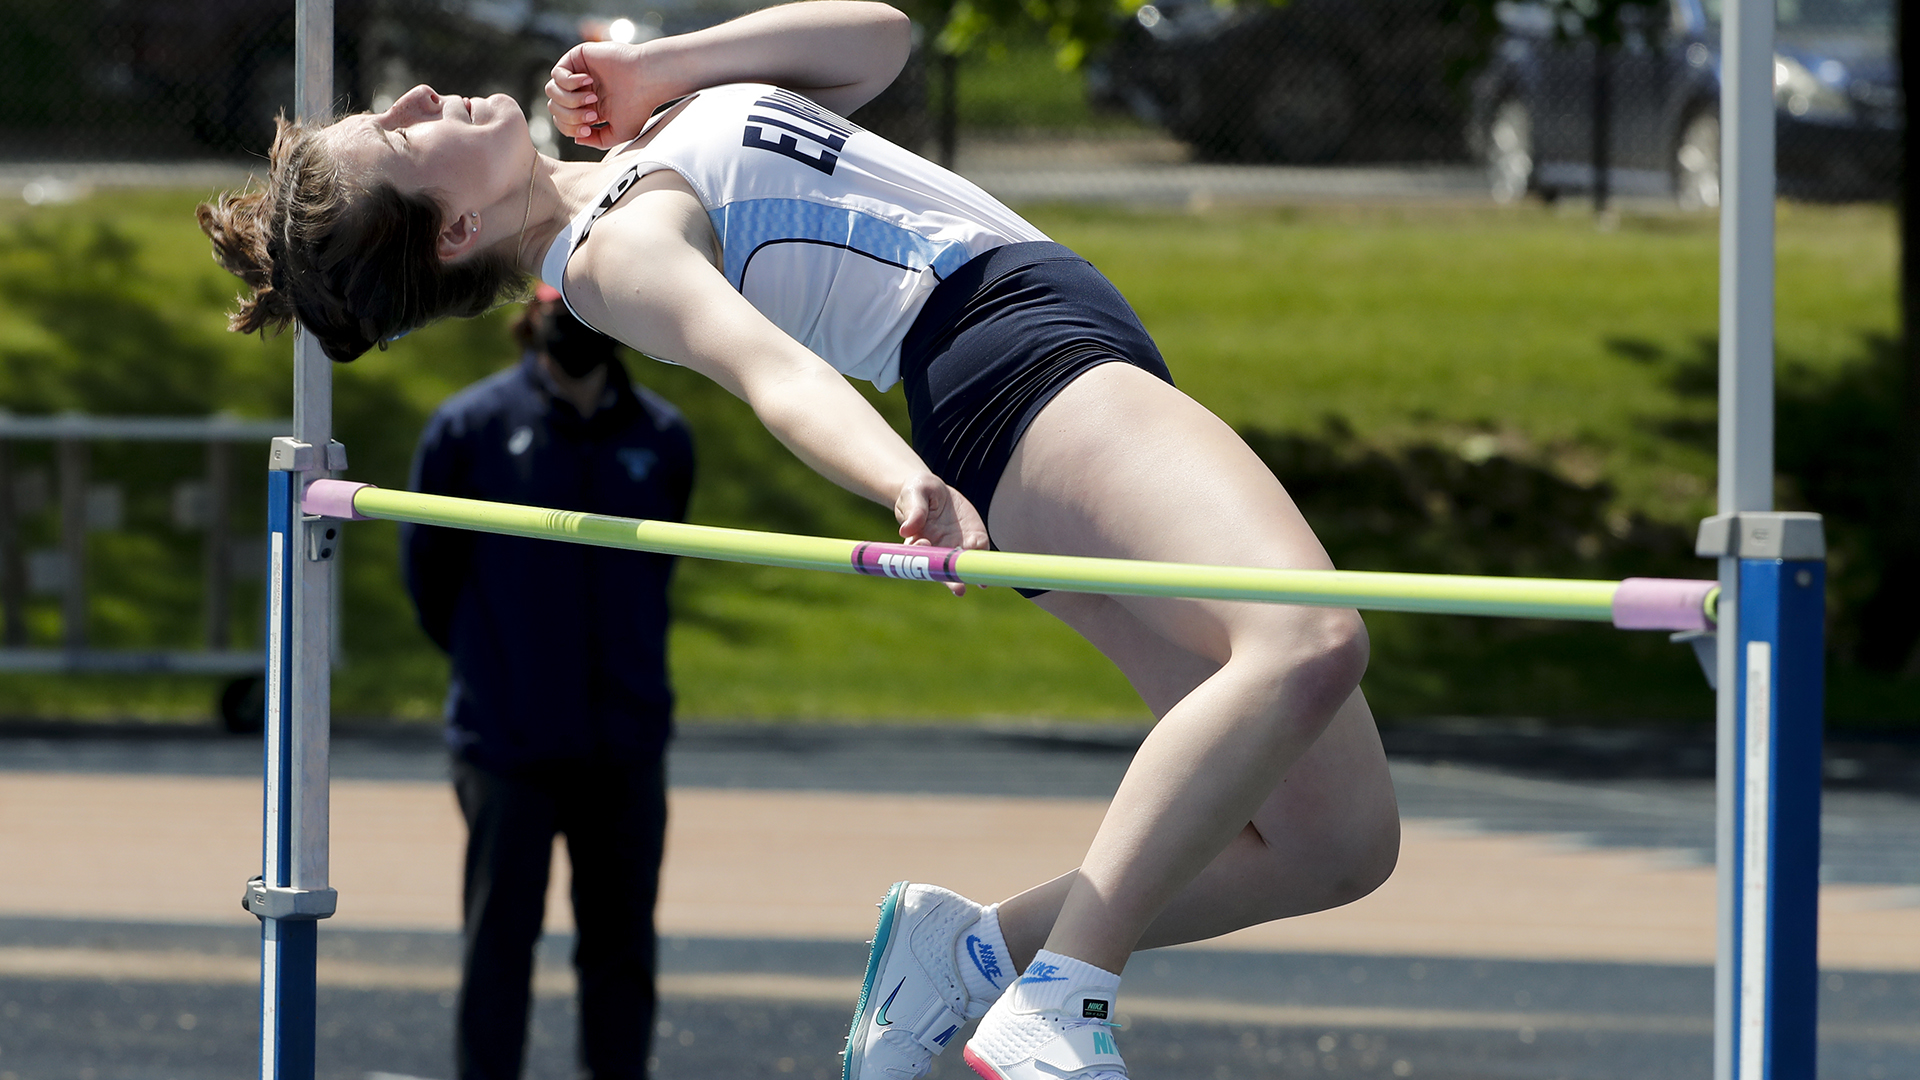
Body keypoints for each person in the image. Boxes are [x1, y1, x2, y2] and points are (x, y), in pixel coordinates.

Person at [197, 5, 1401, 1077]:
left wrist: (665, 65)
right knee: (1305, 636)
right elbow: (769, 369)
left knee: (1334, 845)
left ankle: (971, 952)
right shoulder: (617, 248)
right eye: (401, 135)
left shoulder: (635, 147)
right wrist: (901, 483)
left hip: (1034, 369)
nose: (415, 97)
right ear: (455, 229)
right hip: (1012, 363)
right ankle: (1063, 998)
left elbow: (879, 39)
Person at [401, 290, 695, 1080]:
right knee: (499, 945)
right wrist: (492, 662)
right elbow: (428, 577)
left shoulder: (662, 437)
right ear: (534, 318)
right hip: (508, 741)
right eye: (563, 312)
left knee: (622, 949)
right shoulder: (470, 429)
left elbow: (658, 574)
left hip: (625, 742)